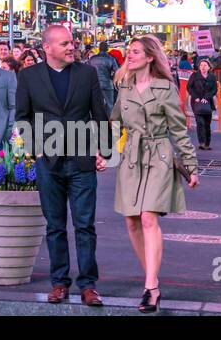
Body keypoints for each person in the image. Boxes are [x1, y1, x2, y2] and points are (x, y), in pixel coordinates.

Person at [15, 24, 111, 307]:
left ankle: (88, 286)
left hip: (82, 161)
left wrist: (104, 151)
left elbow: (100, 114)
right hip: (49, 162)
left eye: (72, 43)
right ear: (48, 48)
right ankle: (59, 284)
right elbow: (23, 118)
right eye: (65, 43)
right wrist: (37, 149)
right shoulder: (29, 76)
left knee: (85, 226)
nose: (72, 47)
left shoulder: (87, 73)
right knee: (55, 226)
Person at [103, 35, 200, 313]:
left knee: (148, 217)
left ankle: (150, 288)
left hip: (158, 156)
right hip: (131, 157)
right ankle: (153, 279)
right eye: (128, 52)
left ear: (149, 57)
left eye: (134, 52)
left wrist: (190, 166)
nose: (129, 56)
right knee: (132, 221)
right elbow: (115, 124)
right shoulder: (124, 86)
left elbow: (179, 130)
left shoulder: (166, 88)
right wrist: (105, 153)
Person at [186, 58, 218, 150]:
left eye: (205, 65)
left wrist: (206, 97)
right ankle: (202, 142)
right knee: (200, 123)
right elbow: (189, 87)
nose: (203, 67)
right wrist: (196, 97)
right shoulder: (194, 75)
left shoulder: (212, 77)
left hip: (208, 103)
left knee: (207, 123)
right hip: (197, 103)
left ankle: (207, 143)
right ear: (199, 67)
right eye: (201, 65)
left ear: (209, 67)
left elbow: (214, 90)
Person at [87, 41, 119, 115]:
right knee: (110, 105)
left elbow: (87, 71)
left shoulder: (92, 59)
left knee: (95, 105)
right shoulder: (111, 59)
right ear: (107, 48)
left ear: (99, 48)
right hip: (107, 83)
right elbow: (117, 71)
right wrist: (112, 78)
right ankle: (110, 123)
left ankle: (98, 122)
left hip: (95, 85)